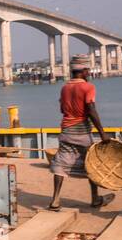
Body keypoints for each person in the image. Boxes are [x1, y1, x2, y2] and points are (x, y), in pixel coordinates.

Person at [48, 54, 113, 210]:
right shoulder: (88, 87)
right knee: (91, 164)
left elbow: (62, 109)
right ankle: (95, 199)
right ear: (83, 71)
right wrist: (102, 133)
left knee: (60, 164)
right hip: (82, 132)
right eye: (88, 70)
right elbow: (91, 110)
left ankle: (55, 200)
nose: (89, 73)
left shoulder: (65, 88)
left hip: (65, 131)